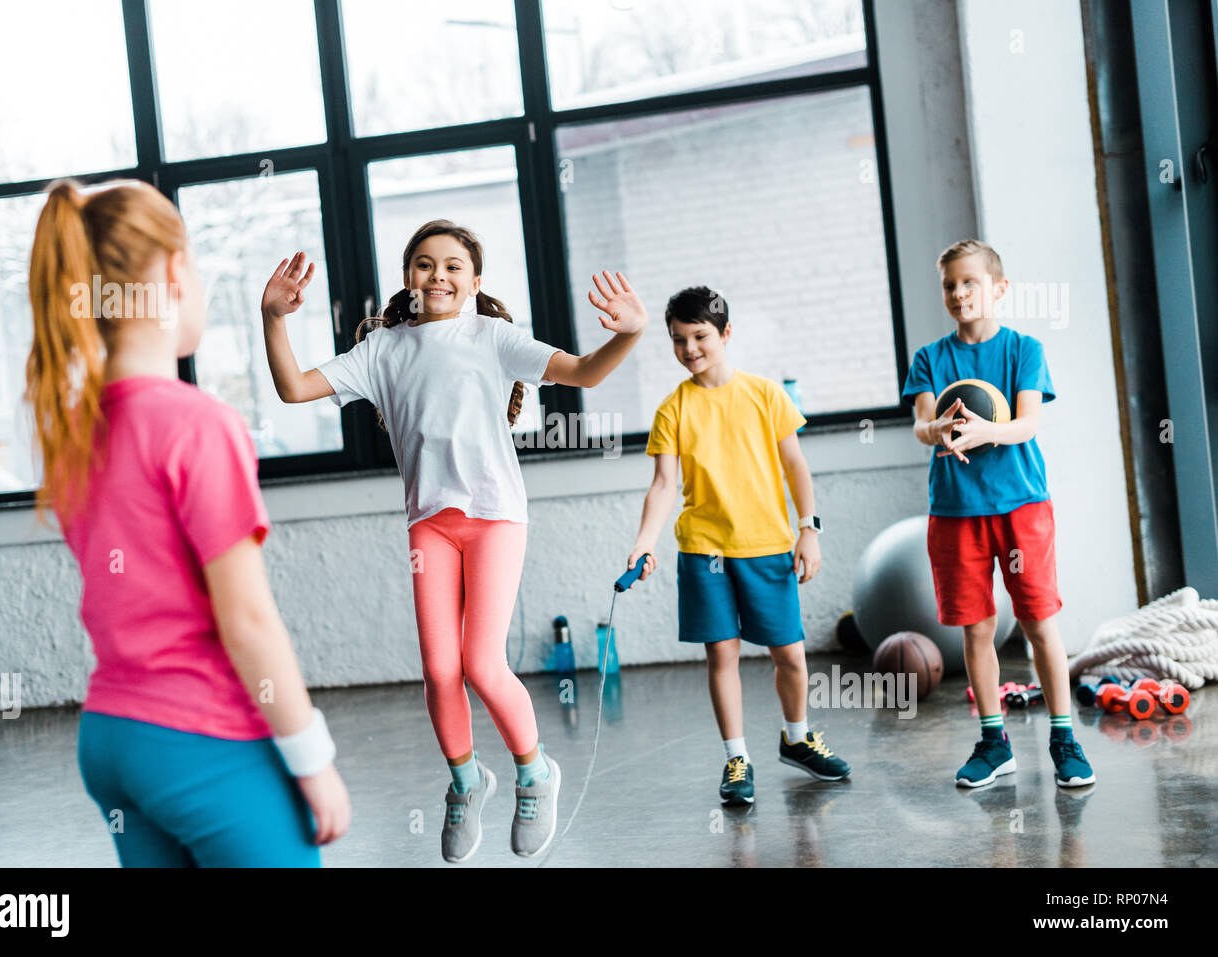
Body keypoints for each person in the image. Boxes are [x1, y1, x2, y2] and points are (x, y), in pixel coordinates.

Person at [260, 220, 648, 860]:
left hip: (495, 516)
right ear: (407, 276)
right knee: (440, 669)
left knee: (480, 662)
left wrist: (629, 333)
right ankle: (467, 783)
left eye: (452, 266)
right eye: (423, 264)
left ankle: (534, 772)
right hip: (429, 526)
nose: (437, 276)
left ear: (474, 282)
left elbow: (583, 373)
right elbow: (294, 387)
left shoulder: (492, 338)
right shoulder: (382, 350)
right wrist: (274, 319)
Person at [25, 179, 351, 866]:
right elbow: (248, 620)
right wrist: (312, 758)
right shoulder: (198, 424)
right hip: (199, 737)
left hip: (112, 739)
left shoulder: (77, 432)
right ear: (175, 272)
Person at [624, 285, 851, 807]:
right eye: (679, 340)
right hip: (706, 551)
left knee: (790, 658)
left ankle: (797, 739)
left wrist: (809, 528)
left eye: (700, 336)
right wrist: (644, 543)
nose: (690, 349)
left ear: (726, 333)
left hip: (767, 547)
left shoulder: (768, 395)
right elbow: (662, 485)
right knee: (721, 656)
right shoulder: (672, 410)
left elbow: (796, 465)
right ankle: (736, 758)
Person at [903, 238, 1094, 788]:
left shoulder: (1023, 349)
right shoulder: (930, 359)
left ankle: (1064, 740)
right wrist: (936, 429)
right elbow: (921, 424)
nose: (959, 293)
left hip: (1021, 506)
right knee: (977, 628)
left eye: (970, 282)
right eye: (949, 285)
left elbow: (1029, 422)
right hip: (956, 511)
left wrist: (990, 432)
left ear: (998, 288)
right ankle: (994, 743)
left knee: (1038, 623)